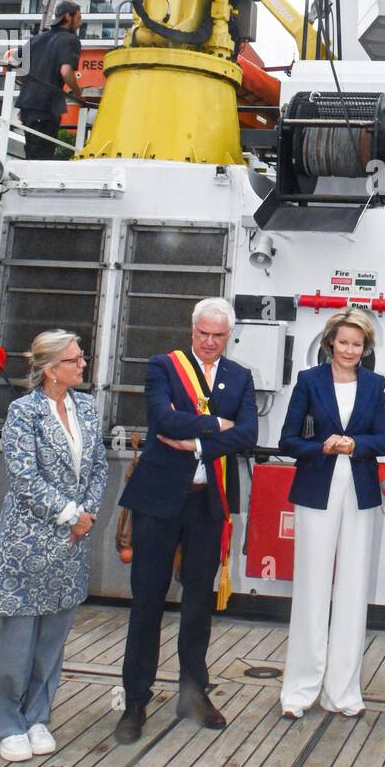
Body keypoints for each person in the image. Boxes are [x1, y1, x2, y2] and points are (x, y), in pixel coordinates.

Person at [114, 297, 257, 743]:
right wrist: (218, 425)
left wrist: (197, 445)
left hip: (206, 504)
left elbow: (249, 435)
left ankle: (193, 693)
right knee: (147, 604)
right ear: (191, 330)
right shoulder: (164, 366)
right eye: (203, 334)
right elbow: (162, 419)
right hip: (158, 502)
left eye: (218, 336)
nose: (210, 343)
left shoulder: (241, 377)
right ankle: (135, 701)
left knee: (198, 604)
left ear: (229, 336)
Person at [0, 331, 106, 762]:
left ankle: (37, 715)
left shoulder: (89, 409)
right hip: (28, 543)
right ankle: (5, 720)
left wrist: (87, 514)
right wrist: (71, 514)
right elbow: (23, 477)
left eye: (81, 358)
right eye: (75, 360)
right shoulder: (23, 413)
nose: (82, 365)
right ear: (52, 368)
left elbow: (97, 467)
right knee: (19, 637)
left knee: (53, 637)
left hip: (72, 545)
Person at [278, 308, 385, 718]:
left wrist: (356, 445)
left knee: (352, 589)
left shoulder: (375, 384)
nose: (349, 350)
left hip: (358, 492)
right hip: (316, 490)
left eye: (357, 344)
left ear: (366, 348)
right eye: (343, 342)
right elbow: (287, 441)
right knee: (311, 587)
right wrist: (323, 447)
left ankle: (342, 691)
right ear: (330, 343)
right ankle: (299, 690)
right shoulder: (309, 382)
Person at [16, 0, 82, 159]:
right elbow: (66, 72)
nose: (79, 23)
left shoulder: (36, 39)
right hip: (46, 107)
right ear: (68, 16)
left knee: (32, 152)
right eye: (79, 18)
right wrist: (78, 94)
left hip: (26, 106)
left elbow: (16, 70)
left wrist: (30, 90)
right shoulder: (70, 40)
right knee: (43, 155)